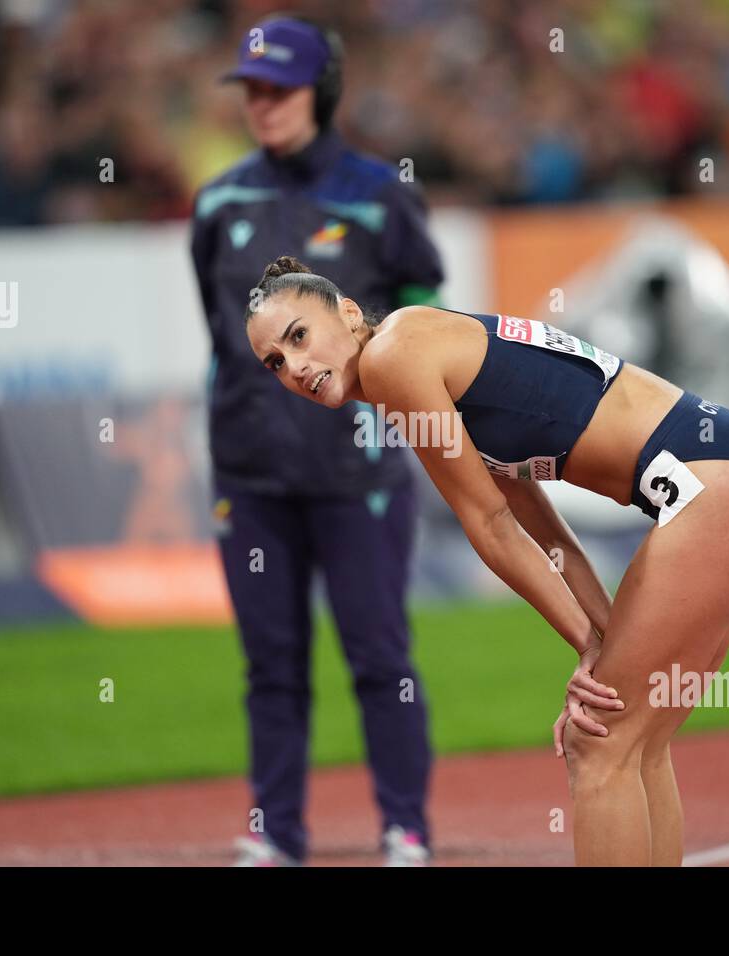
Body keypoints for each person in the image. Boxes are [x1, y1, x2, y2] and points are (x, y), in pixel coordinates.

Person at [245, 256, 729, 867]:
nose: (295, 367)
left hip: (718, 487)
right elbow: (538, 524)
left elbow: (488, 523)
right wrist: (597, 637)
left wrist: (589, 648)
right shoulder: (423, 351)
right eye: (275, 362)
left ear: (348, 312)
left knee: (598, 742)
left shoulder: (391, 359)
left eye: (298, 336)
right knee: (637, 741)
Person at [189, 16, 444, 867]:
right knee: (270, 664)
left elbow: (419, 323)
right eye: (252, 90)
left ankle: (405, 828)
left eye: (281, 88)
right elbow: (227, 337)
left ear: (322, 92)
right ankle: (276, 835)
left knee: (379, 654)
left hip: (356, 470)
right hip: (251, 474)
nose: (263, 104)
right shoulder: (219, 202)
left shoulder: (379, 195)